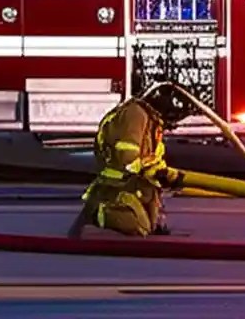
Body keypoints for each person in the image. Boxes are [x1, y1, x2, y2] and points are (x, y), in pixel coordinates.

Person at [67, 90, 188, 239]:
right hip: (118, 186)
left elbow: (153, 157)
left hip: (139, 185)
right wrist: (150, 172)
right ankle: (97, 211)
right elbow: (127, 156)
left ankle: (137, 217)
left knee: (149, 227)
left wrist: (169, 176)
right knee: (138, 228)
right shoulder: (135, 115)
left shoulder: (152, 122)